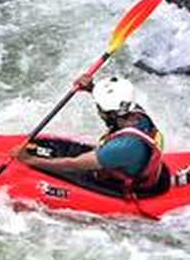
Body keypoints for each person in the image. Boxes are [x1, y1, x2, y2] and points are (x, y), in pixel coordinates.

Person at [14, 75, 165, 196]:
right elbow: (114, 104)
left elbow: (73, 164)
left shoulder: (123, 147)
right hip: (132, 164)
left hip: (123, 184)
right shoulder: (135, 113)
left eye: (100, 107)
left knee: (65, 166)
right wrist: (91, 88)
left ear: (111, 115)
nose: (98, 111)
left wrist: (30, 160)